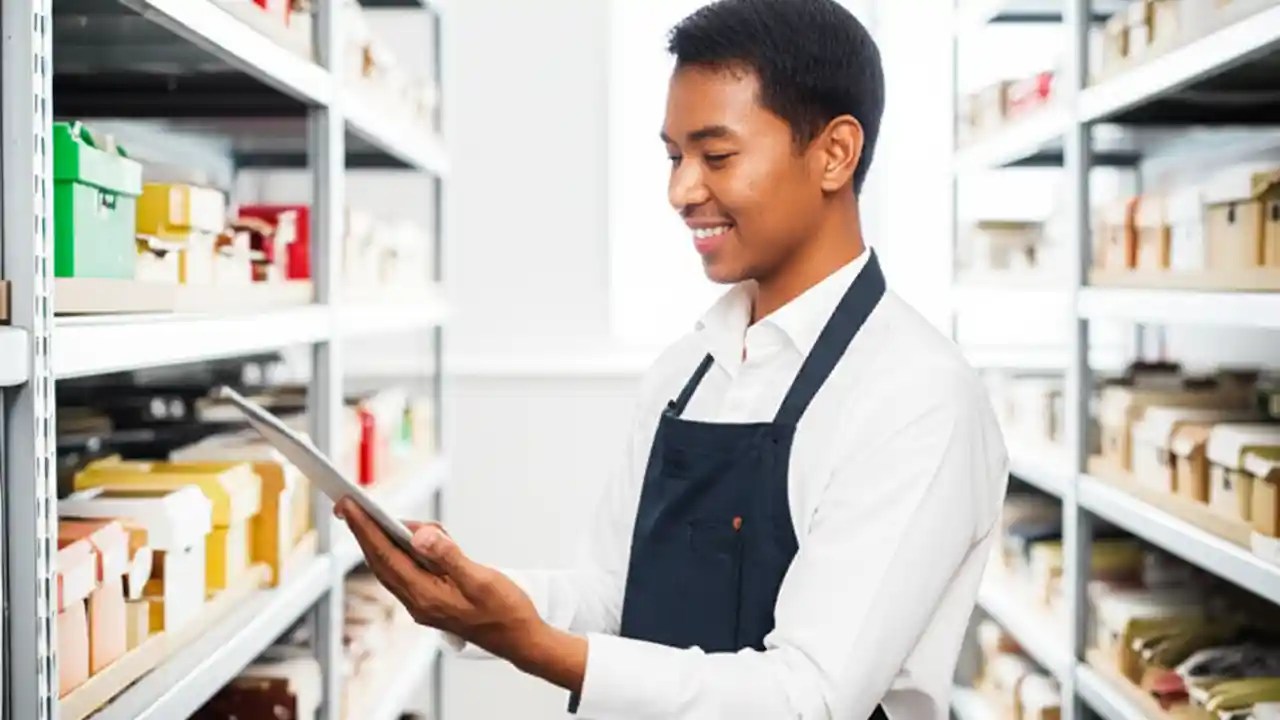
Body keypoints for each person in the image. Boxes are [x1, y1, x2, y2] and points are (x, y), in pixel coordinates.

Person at [338, 0, 1010, 717]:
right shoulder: (687, 373)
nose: (680, 191)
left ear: (835, 153)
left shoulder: (916, 397)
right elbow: (613, 595)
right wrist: (476, 597)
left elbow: (808, 698)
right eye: (673, 156)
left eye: (716, 156)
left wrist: (533, 644)